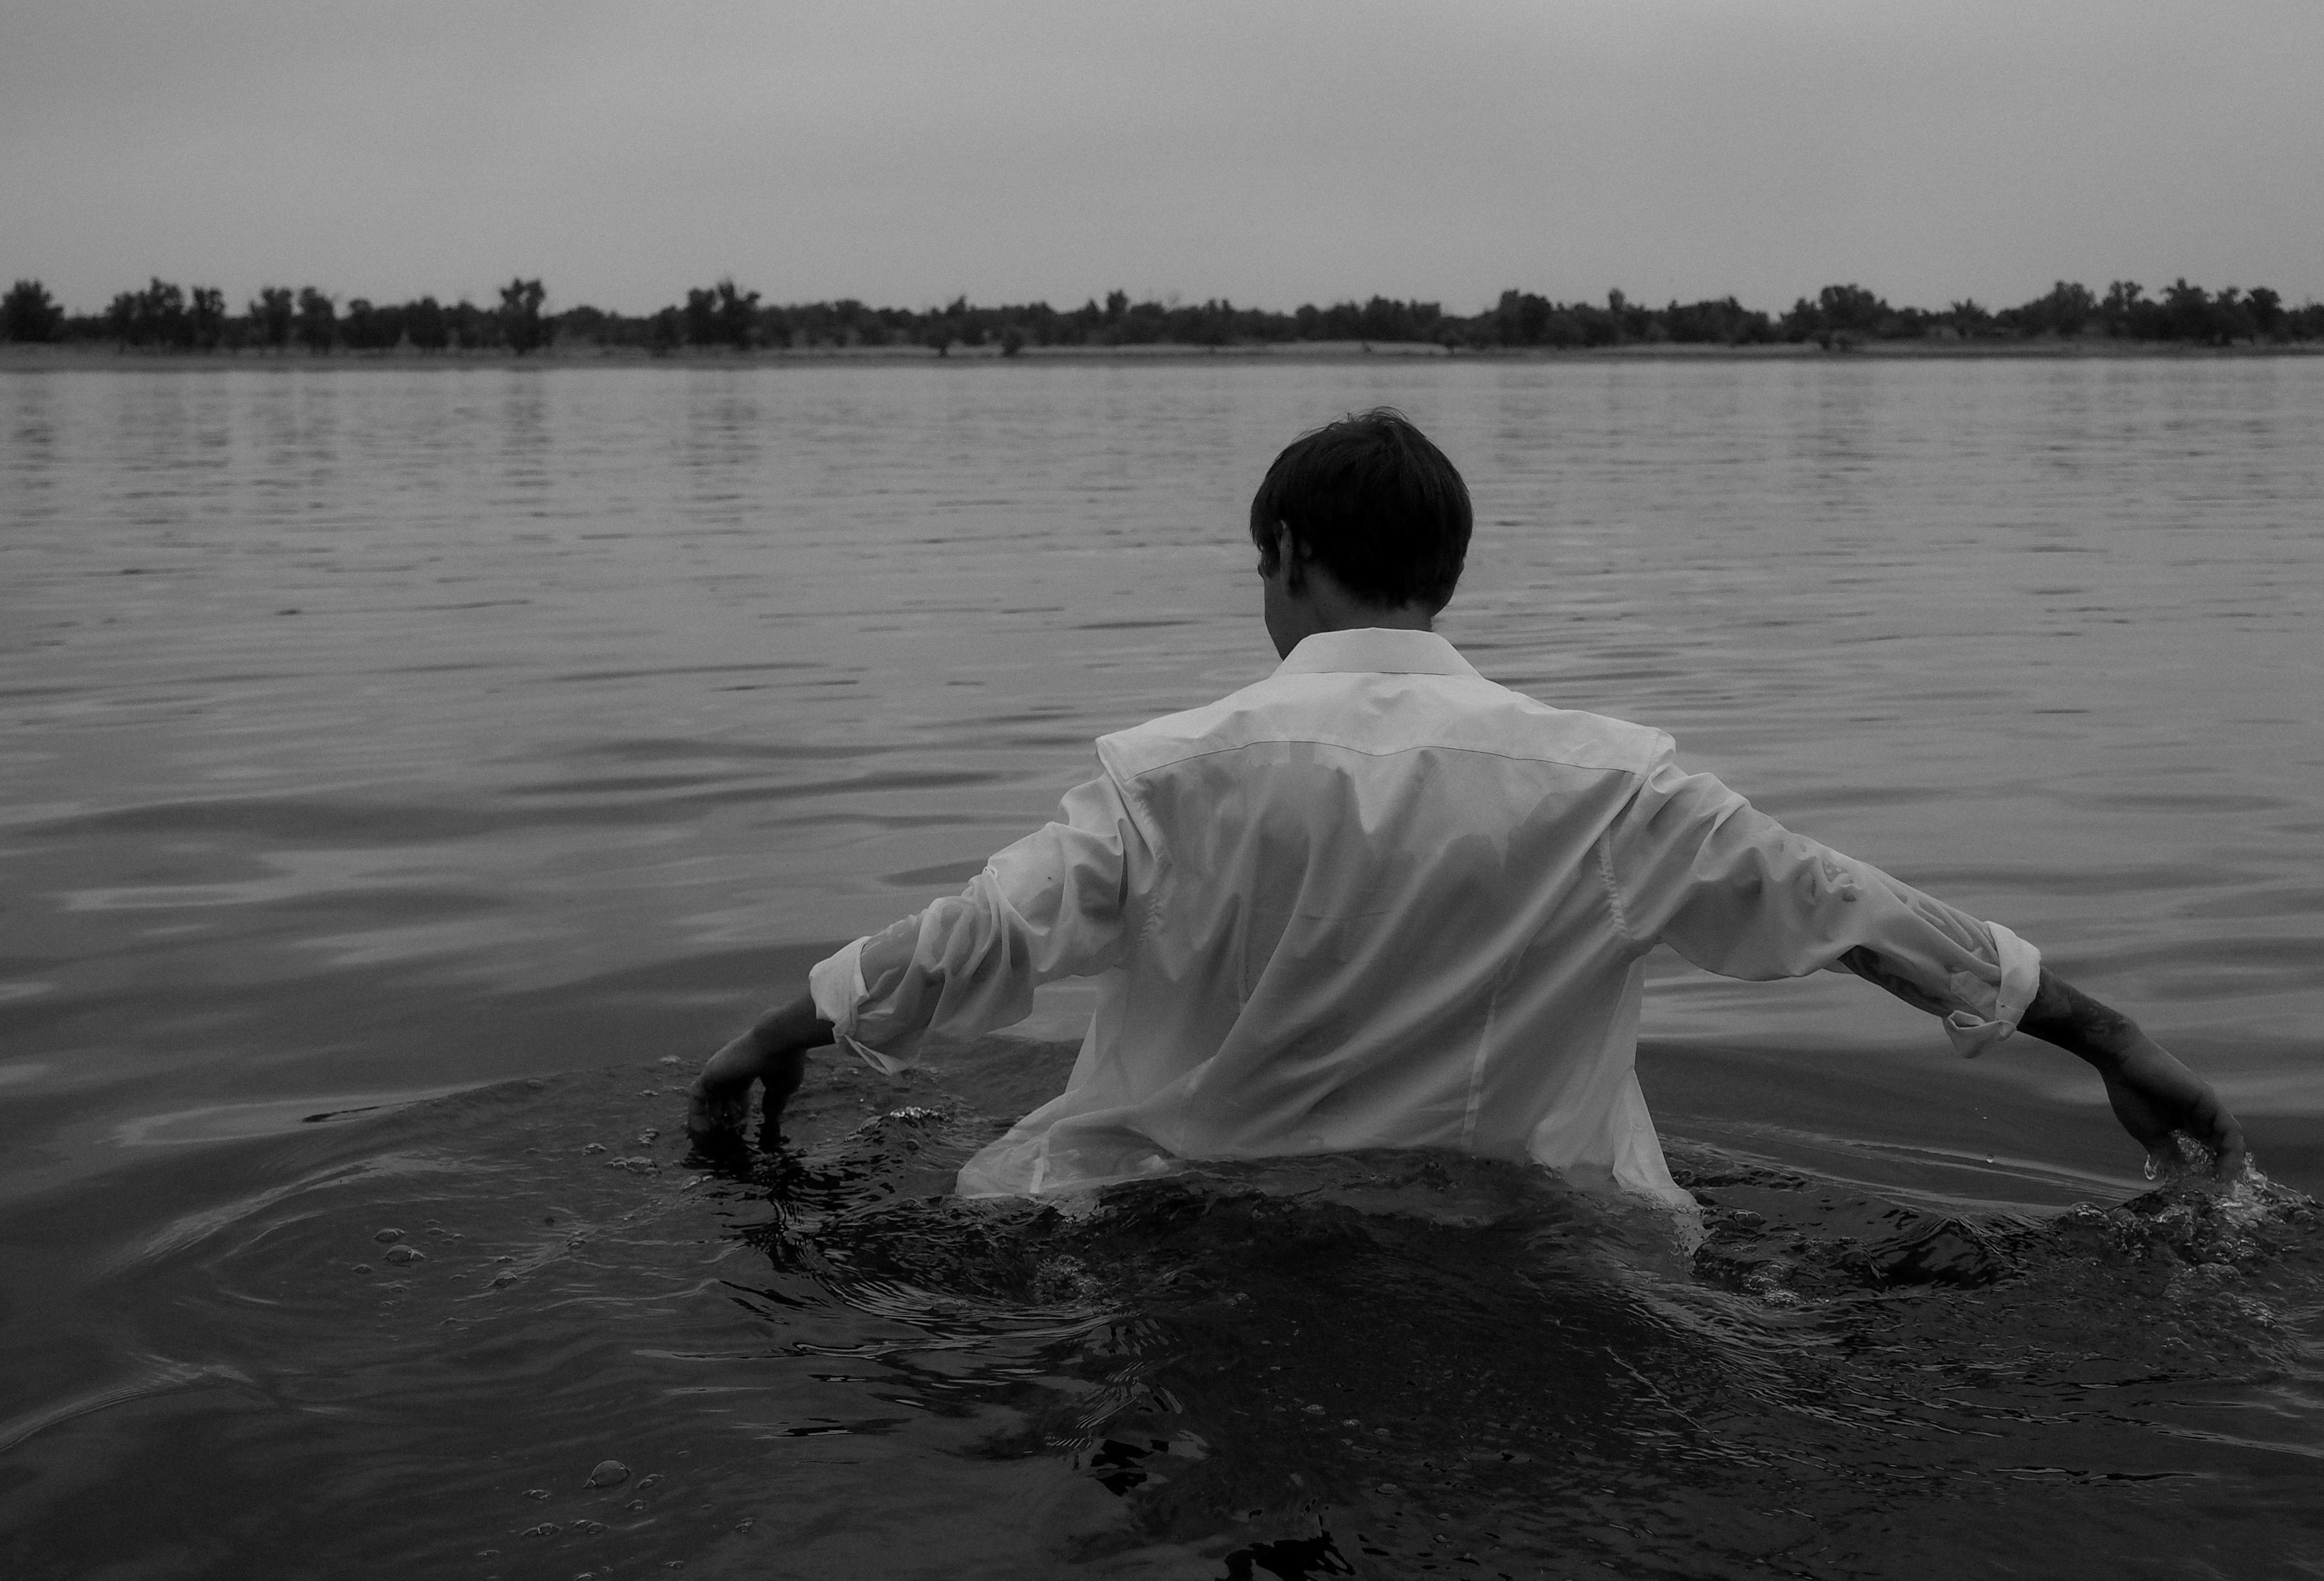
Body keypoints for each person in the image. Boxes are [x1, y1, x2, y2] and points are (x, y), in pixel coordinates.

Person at [689, 409, 2245, 1209]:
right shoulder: (1614, 786)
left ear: (1287, 553)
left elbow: (974, 944)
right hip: (1530, 1230)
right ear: (1445, 576)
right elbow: (1851, 914)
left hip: (1181, 1220)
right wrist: (2104, 1037)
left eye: (1258, 567)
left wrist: (771, 1034)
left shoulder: (1168, 774)